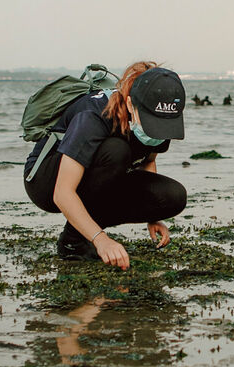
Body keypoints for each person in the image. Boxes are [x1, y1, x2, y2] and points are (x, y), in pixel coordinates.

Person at [23, 62, 188, 269]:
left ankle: (83, 232)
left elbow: (148, 161)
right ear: (130, 105)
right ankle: (73, 242)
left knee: (172, 197)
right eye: (152, 122)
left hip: (101, 175)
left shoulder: (160, 118)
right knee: (117, 150)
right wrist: (101, 240)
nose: (158, 133)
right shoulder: (94, 116)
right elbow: (62, 193)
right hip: (47, 181)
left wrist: (152, 216)